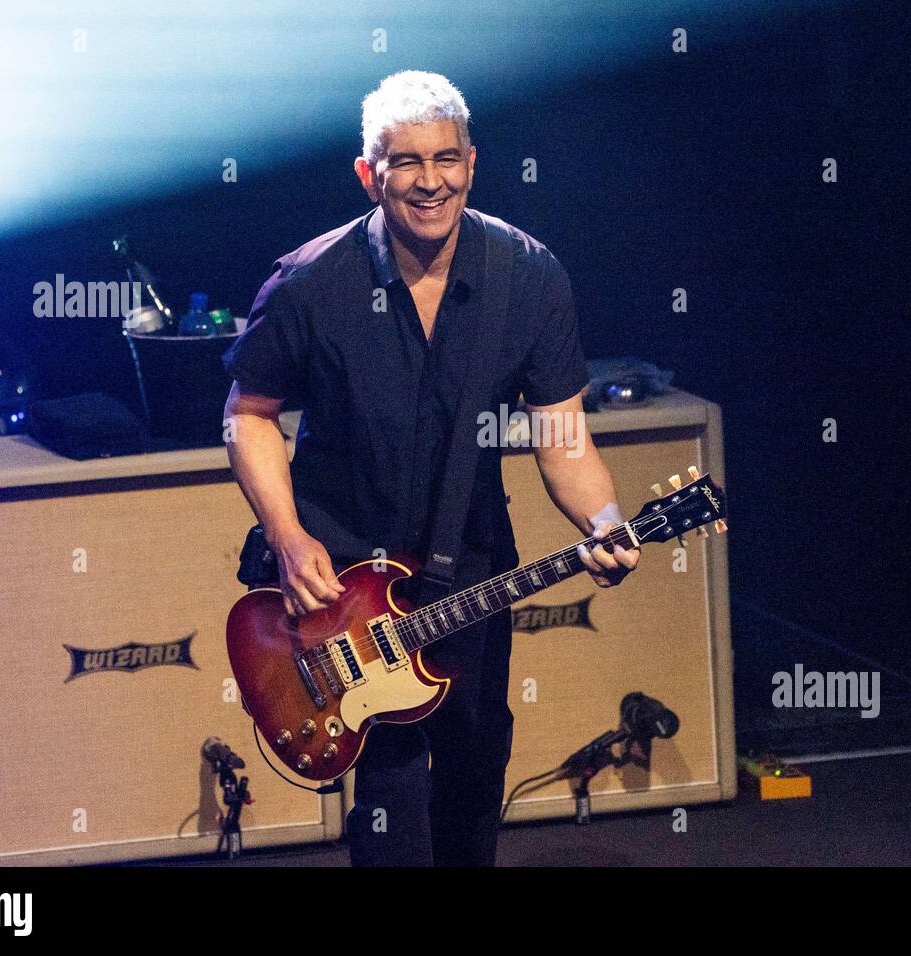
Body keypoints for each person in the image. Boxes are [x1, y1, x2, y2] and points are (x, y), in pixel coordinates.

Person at [221, 70, 638, 866]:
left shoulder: (529, 275)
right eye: (405, 162)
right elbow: (249, 414)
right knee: (394, 792)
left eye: (446, 159)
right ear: (368, 173)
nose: (429, 181)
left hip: (471, 575)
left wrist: (604, 522)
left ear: (472, 164)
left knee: (477, 778)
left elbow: (563, 436)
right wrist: (287, 535)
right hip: (341, 583)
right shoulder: (310, 282)